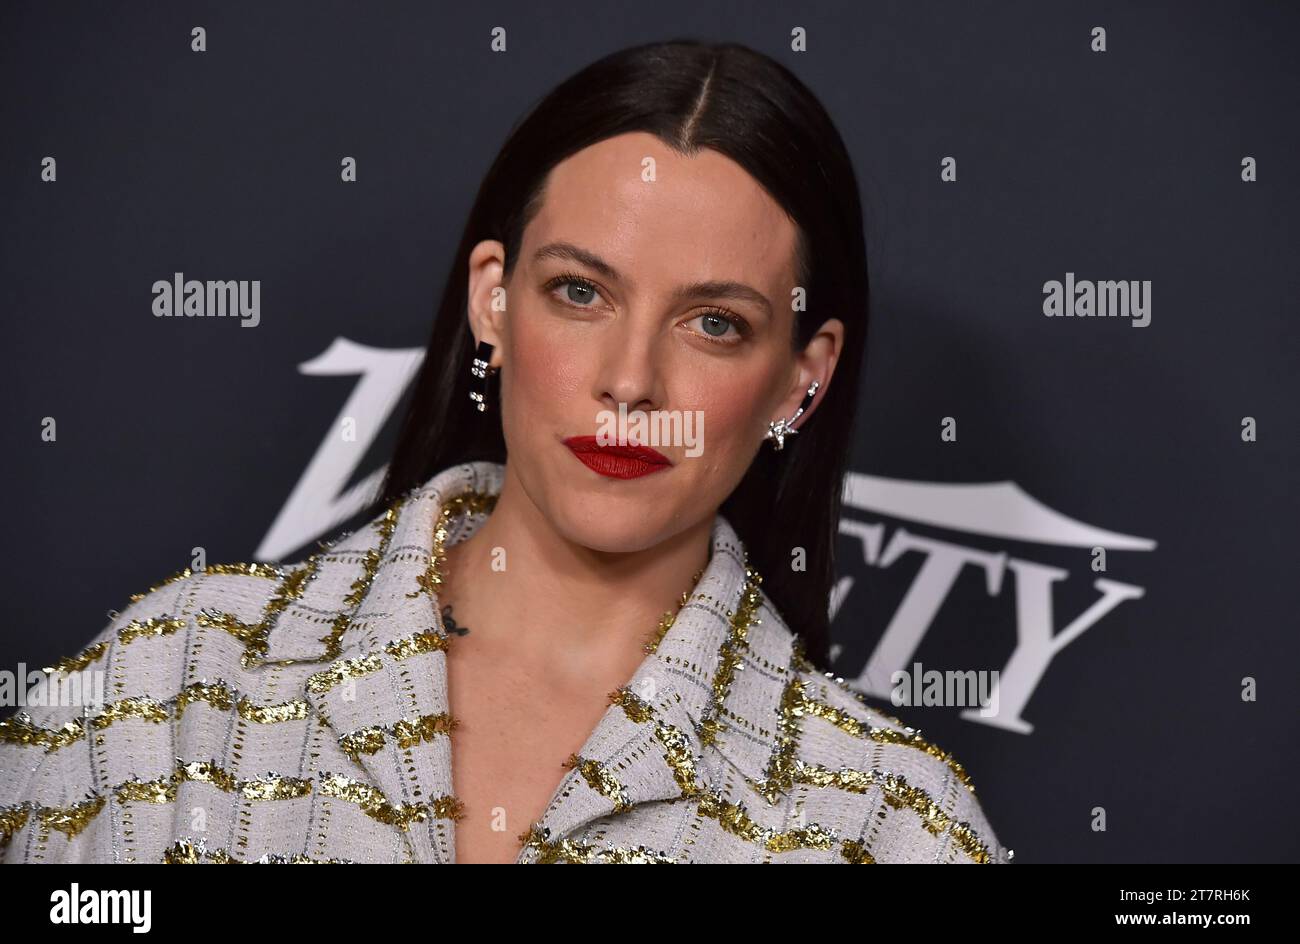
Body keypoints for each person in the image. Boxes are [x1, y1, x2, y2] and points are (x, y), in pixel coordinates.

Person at [0, 39, 1009, 864]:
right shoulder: (170, 683)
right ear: (493, 297)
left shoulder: (888, 828)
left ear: (802, 376)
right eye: (581, 290)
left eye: (713, 323)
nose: (629, 381)